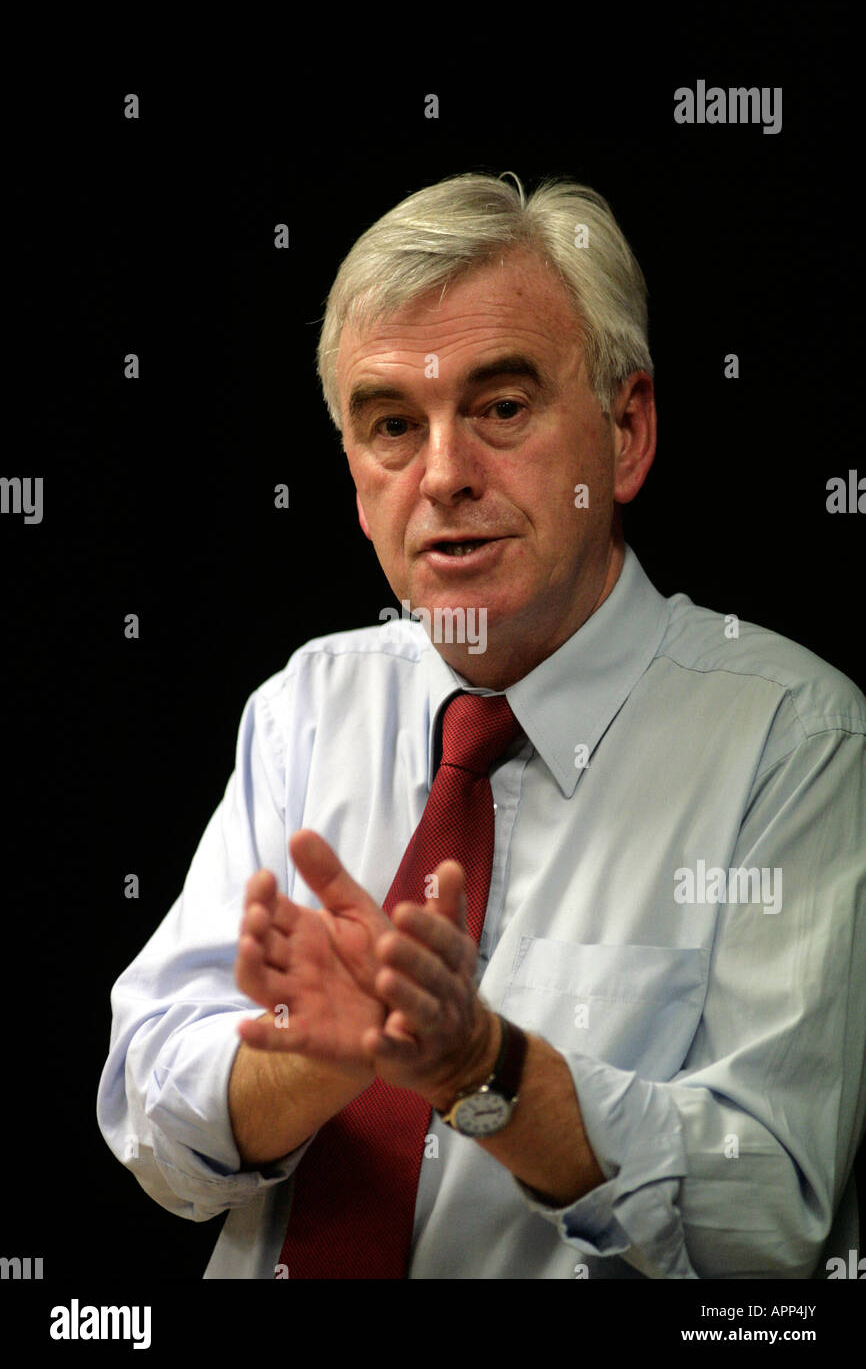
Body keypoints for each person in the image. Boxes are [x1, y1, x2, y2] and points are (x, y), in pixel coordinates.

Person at [97, 171, 866, 1279]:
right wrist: (320, 1059)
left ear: (626, 432)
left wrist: (483, 1067)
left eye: (500, 408)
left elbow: (767, 1219)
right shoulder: (305, 707)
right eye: (392, 426)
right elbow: (150, 1125)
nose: (444, 476)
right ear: (356, 482)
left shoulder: (794, 741)